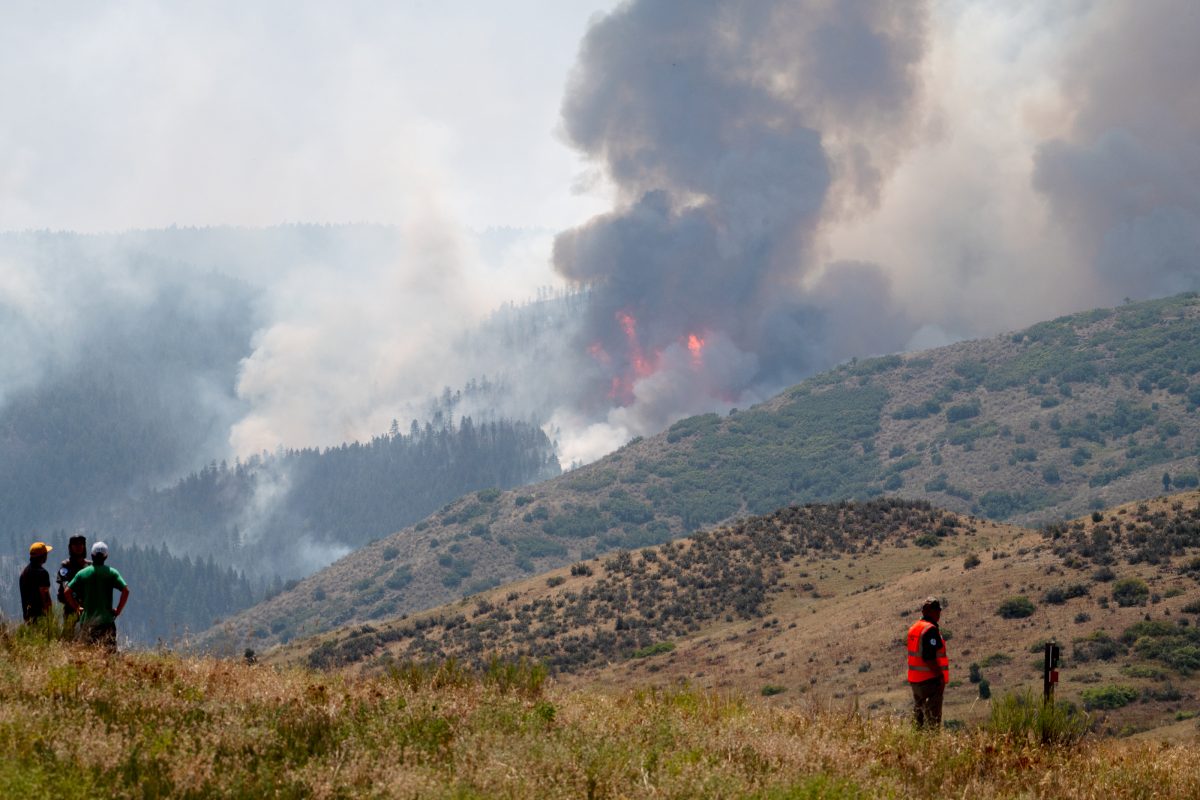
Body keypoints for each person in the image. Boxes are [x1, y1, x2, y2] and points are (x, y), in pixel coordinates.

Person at [63, 542, 129, 651]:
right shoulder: (112, 573)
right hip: (106, 621)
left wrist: (76, 607)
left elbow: (67, 592)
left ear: (92, 555)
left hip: (87, 622)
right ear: (106, 556)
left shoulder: (83, 573)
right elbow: (126, 591)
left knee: (88, 653)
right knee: (109, 654)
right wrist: (118, 610)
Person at [906, 596, 949, 728]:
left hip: (915, 681)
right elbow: (929, 657)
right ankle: (931, 744)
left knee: (918, 717)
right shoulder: (930, 630)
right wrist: (940, 677)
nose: (938, 613)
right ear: (927, 611)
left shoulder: (914, 628)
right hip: (929, 681)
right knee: (932, 720)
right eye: (936, 610)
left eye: (938, 610)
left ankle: (916, 742)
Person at [56, 533, 91, 628]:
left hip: (88, 607)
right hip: (70, 606)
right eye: (75, 544)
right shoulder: (66, 565)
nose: (78, 547)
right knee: (69, 635)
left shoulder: (90, 565)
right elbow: (65, 585)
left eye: (80, 544)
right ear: (70, 547)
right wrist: (75, 606)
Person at [19, 541, 54, 623]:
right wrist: (50, 617)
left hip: (28, 617)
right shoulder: (42, 573)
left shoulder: (24, 573)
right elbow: (45, 597)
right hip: (41, 617)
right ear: (43, 556)